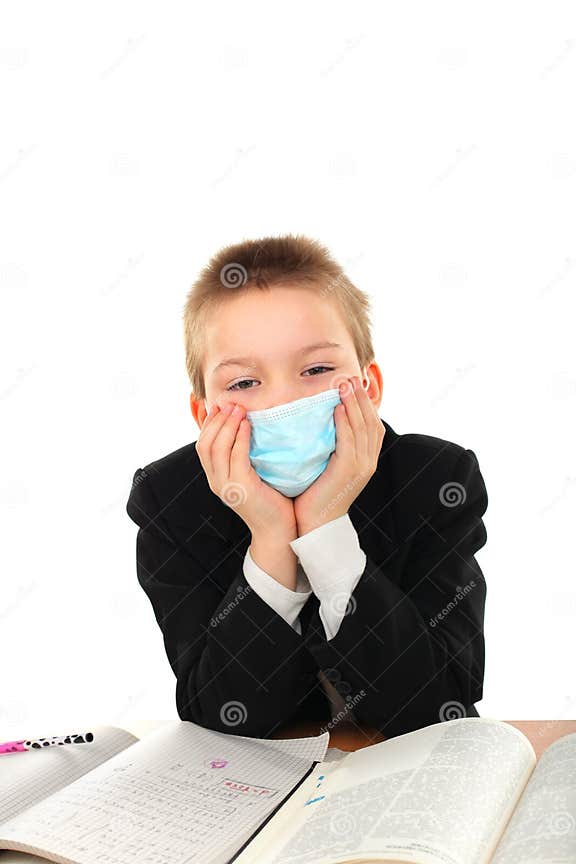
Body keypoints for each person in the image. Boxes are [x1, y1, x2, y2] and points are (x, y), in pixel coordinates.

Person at [126, 234, 488, 740]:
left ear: (369, 386)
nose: (283, 401)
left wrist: (325, 526)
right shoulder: (170, 501)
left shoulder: (435, 480)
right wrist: (272, 539)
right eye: (244, 383)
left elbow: (439, 708)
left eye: (316, 370)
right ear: (203, 413)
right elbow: (221, 714)